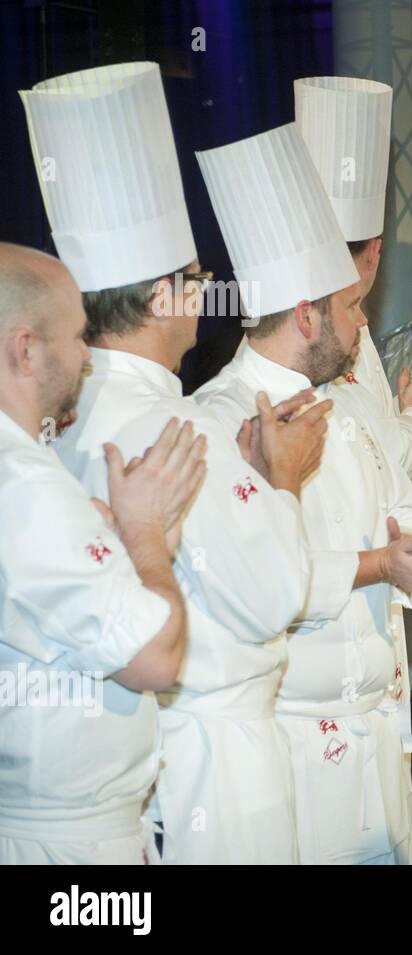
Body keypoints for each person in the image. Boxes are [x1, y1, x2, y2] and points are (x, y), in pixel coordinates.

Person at [24, 61, 328, 863]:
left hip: (117, 760)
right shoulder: (169, 422)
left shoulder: (59, 417)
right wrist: (282, 480)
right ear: (166, 295)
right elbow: (273, 594)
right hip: (213, 767)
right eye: (197, 279)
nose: (205, 292)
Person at [194, 122, 412, 863]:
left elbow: (392, 506)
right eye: (352, 310)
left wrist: (408, 554)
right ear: (308, 313)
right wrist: (381, 563)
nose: (363, 327)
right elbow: (259, 580)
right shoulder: (221, 421)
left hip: (377, 731)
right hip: (289, 742)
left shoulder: (340, 405)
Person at [0, 242, 203, 864]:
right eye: (80, 337)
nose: (88, 357)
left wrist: (136, 548)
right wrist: (144, 534)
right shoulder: (25, 485)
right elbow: (154, 660)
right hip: (65, 846)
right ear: (26, 348)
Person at [295, 75, 412, 487]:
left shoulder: (350, 341)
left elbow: (380, 460)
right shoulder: (315, 351)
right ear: (376, 252)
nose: (359, 320)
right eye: (350, 306)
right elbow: (360, 477)